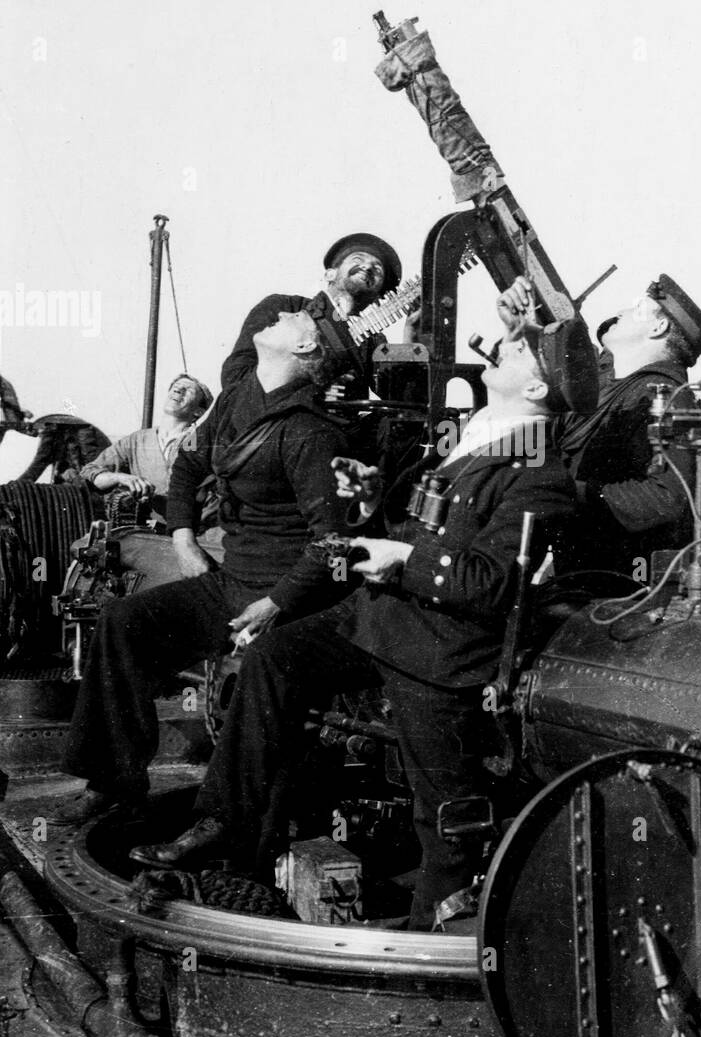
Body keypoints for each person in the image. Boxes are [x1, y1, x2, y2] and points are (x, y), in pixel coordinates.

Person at [128, 312, 599, 932]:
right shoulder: (493, 437)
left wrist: (400, 558)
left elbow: (490, 584)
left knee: (447, 815)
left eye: (519, 352)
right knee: (273, 660)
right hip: (376, 615)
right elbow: (425, 516)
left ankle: (437, 934)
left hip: (439, 647)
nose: (500, 346)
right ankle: (229, 829)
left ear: (537, 390)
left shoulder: (539, 471)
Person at [61, 308, 356, 820]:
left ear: (305, 349)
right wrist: (183, 538)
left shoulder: (312, 433)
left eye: (297, 317)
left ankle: (223, 820)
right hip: (232, 583)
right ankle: (113, 783)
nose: (282, 312)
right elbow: (191, 466)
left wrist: (275, 604)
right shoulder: (237, 399)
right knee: (122, 622)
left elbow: (335, 542)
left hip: (285, 598)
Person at [498, 273, 701, 617]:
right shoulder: (607, 388)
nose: (620, 312)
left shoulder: (668, 400)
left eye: (636, 309)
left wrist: (562, 492)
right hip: (610, 575)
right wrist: (520, 332)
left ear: (658, 328)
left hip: (692, 597)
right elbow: (533, 436)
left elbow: (667, 498)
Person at [221, 232, 402, 398]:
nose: (367, 267)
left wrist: (413, 335)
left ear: (378, 297)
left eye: (377, 270)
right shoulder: (283, 307)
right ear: (330, 274)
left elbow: (399, 394)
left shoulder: (372, 341)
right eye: (357, 259)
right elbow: (236, 376)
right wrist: (312, 394)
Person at [79, 374, 213, 521]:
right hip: (149, 534)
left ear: (198, 412)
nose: (178, 390)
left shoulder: (202, 442)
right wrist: (120, 477)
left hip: (197, 532)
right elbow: (90, 472)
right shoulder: (136, 441)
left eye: (188, 390)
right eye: (176, 387)